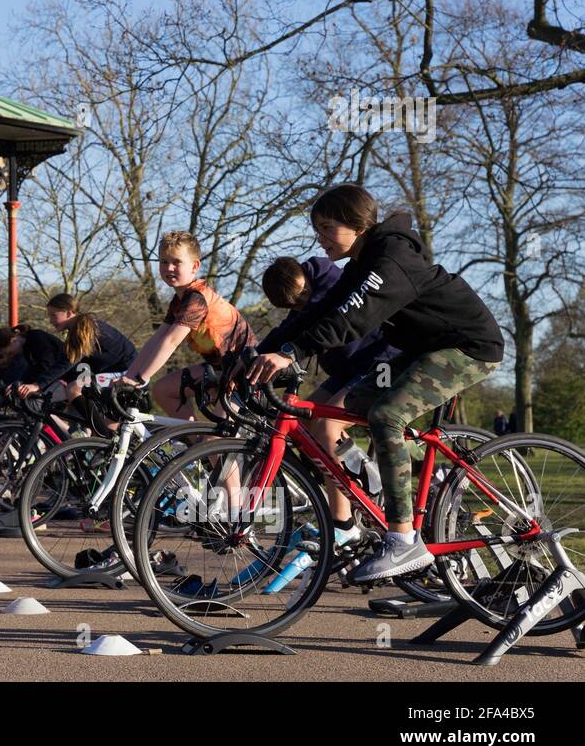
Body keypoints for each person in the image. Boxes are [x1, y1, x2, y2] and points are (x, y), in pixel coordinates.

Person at [247, 184, 504, 582]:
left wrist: (294, 352)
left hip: (468, 346)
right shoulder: (361, 265)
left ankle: (403, 541)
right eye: (316, 229)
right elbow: (314, 317)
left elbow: (353, 318)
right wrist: (256, 359)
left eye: (327, 227)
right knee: (330, 418)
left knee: (387, 416)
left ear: (357, 224)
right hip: (423, 351)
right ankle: (402, 480)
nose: (319, 238)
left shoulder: (391, 260)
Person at [257, 255, 400, 547]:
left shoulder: (329, 278)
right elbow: (288, 329)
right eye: (295, 305)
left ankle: (343, 523)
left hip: (383, 363)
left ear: (305, 276)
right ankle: (362, 478)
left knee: (326, 425)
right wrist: (251, 358)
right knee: (296, 421)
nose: (304, 305)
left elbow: (318, 312)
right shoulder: (304, 301)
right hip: (349, 369)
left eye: (304, 295)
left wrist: (289, 345)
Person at [122, 231, 257, 418]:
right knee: (162, 390)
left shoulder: (196, 299)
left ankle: (206, 446)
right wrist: (129, 377)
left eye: (176, 262)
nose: (169, 268)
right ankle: (194, 443)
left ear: (195, 266)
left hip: (245, 374)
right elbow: (157, 339)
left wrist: (141, 378)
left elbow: (171, 341)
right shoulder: (179, 300)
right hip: (220, 370)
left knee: (216, 439)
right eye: (163, 262)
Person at [44, 293, 137, 400]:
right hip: (114, 369)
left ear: (69, 313)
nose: (50, 321)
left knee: (73, 389)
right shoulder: (77, 329)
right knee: (70, 389)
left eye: (53, 315)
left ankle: (100, 418)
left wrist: (38, 385)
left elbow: (69, 361)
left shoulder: (85, 329)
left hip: (126, 371)